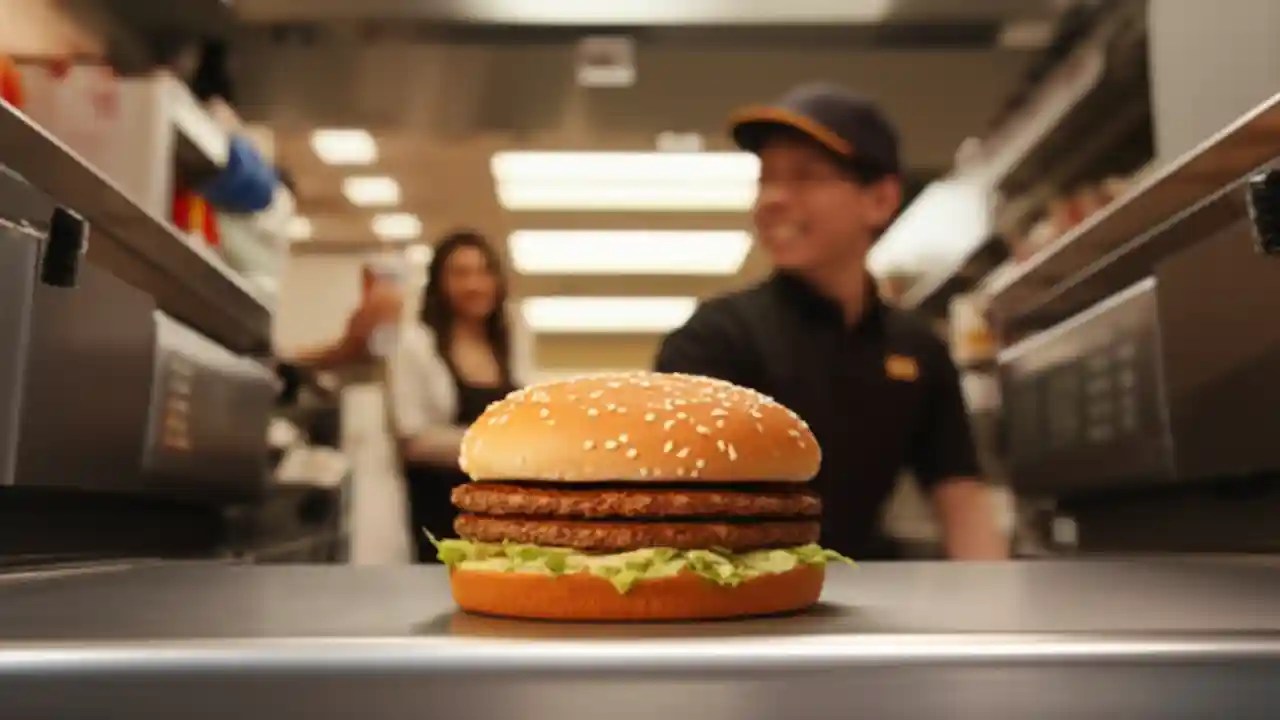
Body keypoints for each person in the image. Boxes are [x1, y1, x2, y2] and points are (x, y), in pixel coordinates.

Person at [654, 83, 1007, 560]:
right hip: (745, 606)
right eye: (766, 178)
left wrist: (988, 606)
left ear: (879, 200)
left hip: (872, 599)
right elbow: (671, 511)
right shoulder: (714, 339)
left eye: (804, 176)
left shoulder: (918, 349)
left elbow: (961, 498)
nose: (773, 198)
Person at [387, 231, 532, 562]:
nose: (474, 284)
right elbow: (413, 440)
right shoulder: (415, 344)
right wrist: (495, 446)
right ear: (438, 283)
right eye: (460, 273)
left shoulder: (512, 342)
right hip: (440, 507)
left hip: (503, 511)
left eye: (483, 272)